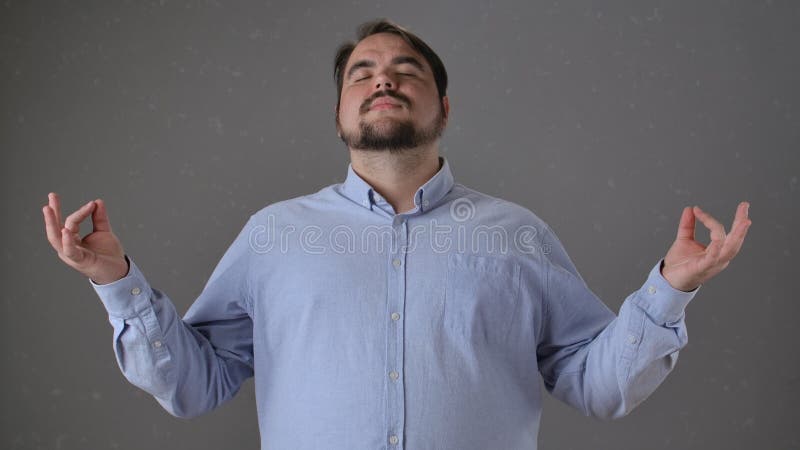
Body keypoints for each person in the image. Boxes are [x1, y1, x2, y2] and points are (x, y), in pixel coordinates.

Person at [42, 18, 752, 450]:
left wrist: (670, 289)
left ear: (442, 106)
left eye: (405, 70)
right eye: (364, 74)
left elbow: (597, 386)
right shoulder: (273, 236)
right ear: (341, 111)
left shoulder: (517, 236)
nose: (384, 81)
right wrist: (116, 282)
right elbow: (195, 386)